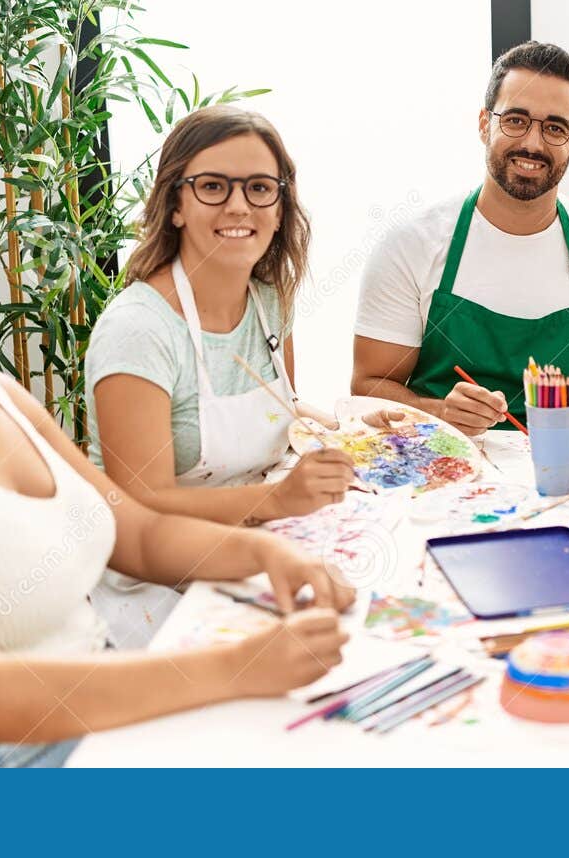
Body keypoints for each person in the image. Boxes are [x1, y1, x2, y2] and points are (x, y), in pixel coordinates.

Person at [0, 128, 354, 768]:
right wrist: (234, 668)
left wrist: (263, 550)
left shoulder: (0, 396)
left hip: (97, 719)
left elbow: (132, 535)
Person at [84, 106, 370, 645]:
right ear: (175, 205)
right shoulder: (138, 331)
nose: (239, 205)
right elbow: (142, 501)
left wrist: (349, 426)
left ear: (281, 209)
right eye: (213, 186)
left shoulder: (269, 304)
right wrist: (278, 502)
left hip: (255, 548)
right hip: (160, 590)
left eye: (260, 188)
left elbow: (276, 408)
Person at [352, 41, 569, 435]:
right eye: (516, 120)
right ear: (485, 123)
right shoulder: (410, 246)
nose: (533, 145)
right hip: (441, 477)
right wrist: (437, 413)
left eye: (555, 128)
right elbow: (369, 387)